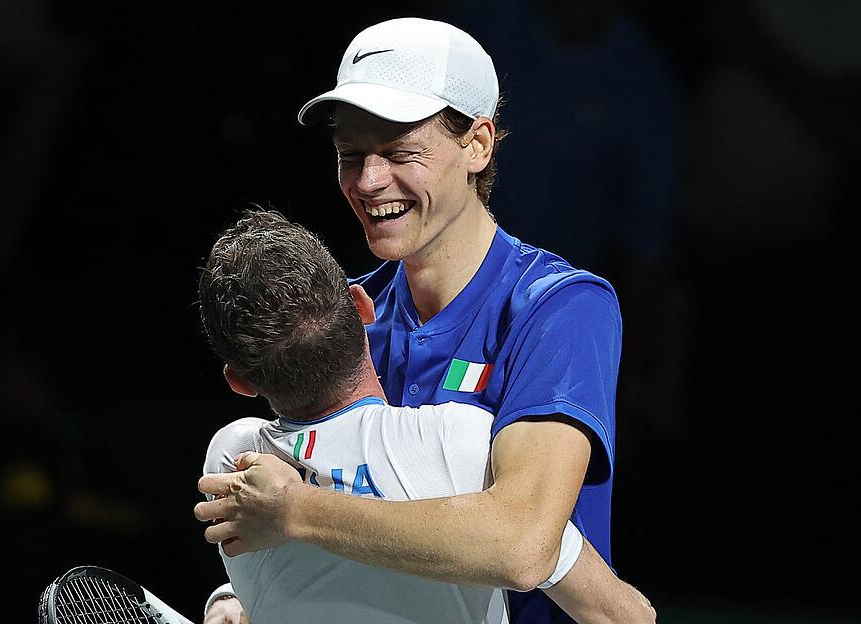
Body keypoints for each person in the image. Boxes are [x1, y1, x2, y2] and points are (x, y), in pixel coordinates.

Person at [195, 17, 630, 623]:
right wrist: (245, 597)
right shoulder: (346, 318)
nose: (370, 182)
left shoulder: (560, 309)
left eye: (400, 152)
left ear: (478, 145)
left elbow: (523, 545)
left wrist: (295, 511)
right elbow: (353, 526)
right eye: (351, 155)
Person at [197, 210, 652, 623]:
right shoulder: (463, 442)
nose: (373, 178)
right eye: (352, 155)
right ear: (362, 309)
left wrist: (286, 527)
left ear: (240, 382)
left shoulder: (233, 459)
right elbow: (621, 615)